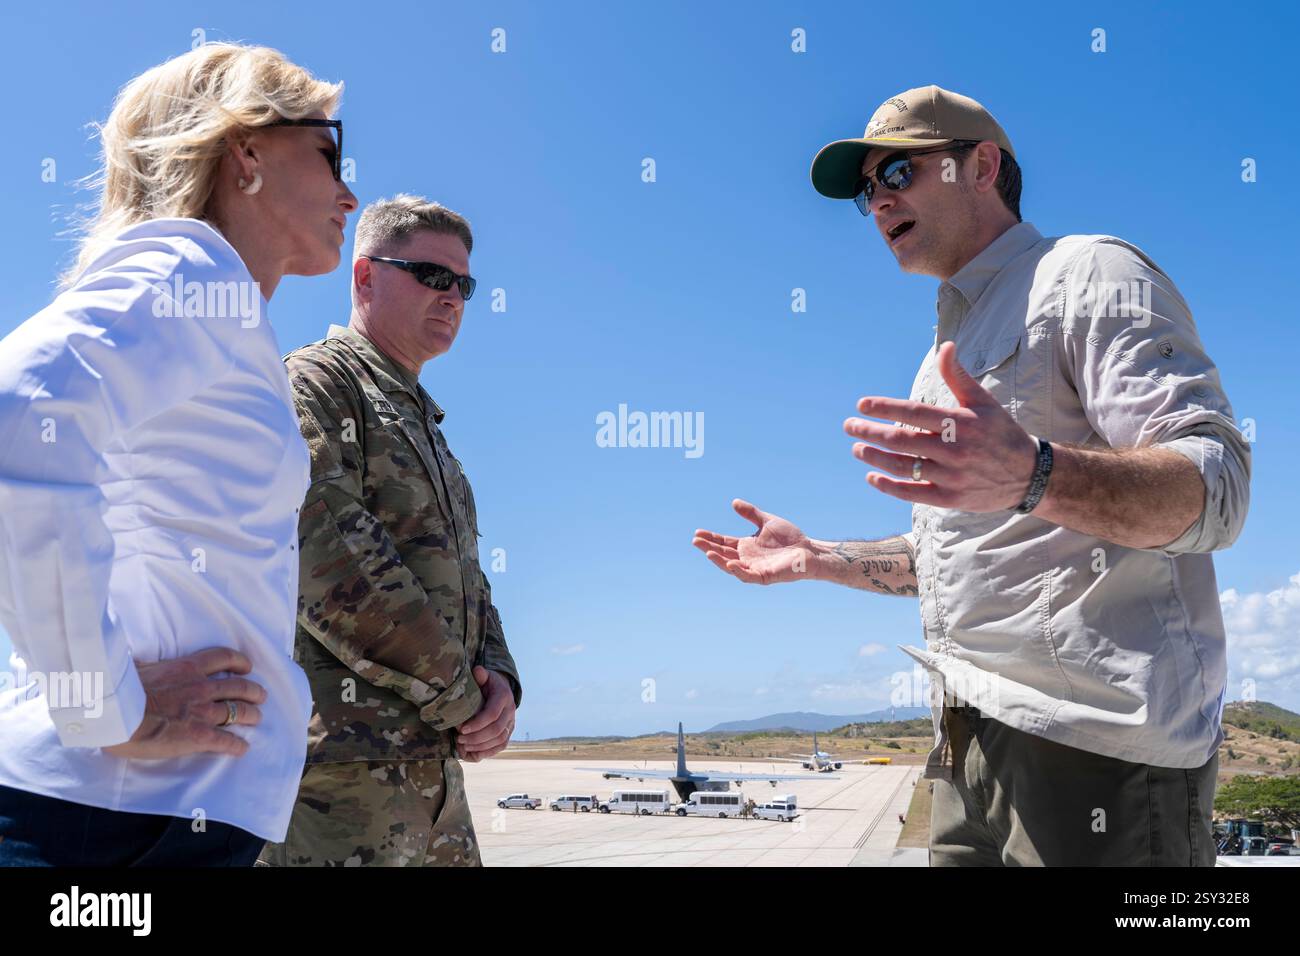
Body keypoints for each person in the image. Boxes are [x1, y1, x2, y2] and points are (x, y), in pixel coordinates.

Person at [694, 85, 1249, 867]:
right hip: (962, 747)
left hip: (1097, 754)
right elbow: (953, 560)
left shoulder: (1087, 274)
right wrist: (819, 560)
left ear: (982, 165)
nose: (878, 204)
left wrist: (1038, 474)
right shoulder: (942, 352)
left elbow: (1217, 488)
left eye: (897, 174)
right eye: (865, 192)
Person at [0, 42, 358, 866]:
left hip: (136, 809)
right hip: (116, 821)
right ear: (247, 151)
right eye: (329, 148)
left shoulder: (223, 306)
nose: (349, 191)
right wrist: (108, 707)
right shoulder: (197, 269)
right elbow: (25, 411)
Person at [256, 195, 522, 868]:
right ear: (366, 276)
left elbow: (469, 581)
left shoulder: (428, 429)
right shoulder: (317, 384)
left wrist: (502, 684)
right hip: (340, 787)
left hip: (434, 783)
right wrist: (463, 694)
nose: (453, 297)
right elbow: (332, 559)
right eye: (432, 276)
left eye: (464, 285)